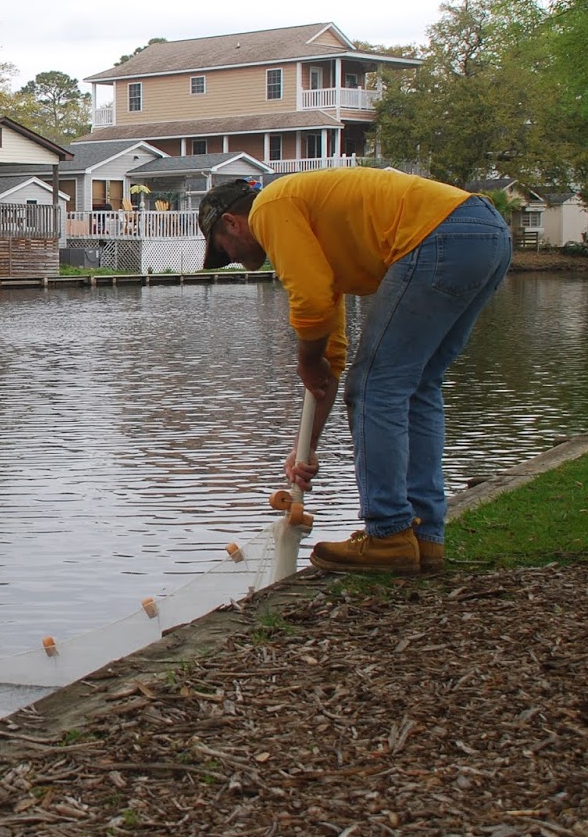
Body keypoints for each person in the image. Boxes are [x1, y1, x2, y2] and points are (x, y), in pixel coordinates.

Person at [198, 167, 511, 576]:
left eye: (223, 249)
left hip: (441, 235)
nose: (232, 260)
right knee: (415, 387)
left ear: (232, 222)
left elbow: (309, 305)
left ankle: (388, 534)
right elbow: (332, 354)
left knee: (376, 387)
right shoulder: (315, 226)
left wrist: (305, 359)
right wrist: (304, 447)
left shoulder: (271, 207)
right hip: (486, 235)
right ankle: (424, 537)